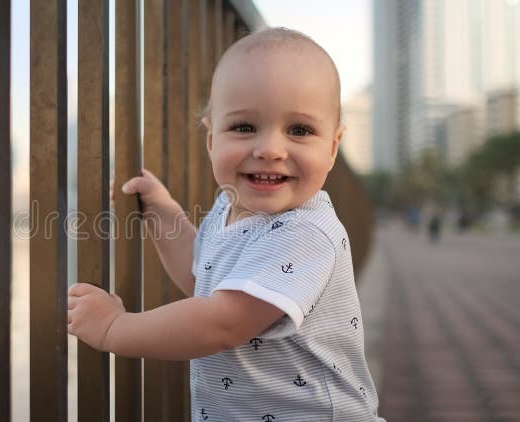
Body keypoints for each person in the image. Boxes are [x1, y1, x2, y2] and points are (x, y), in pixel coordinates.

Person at [67, 27, 384, 421]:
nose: (269, 149)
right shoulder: (229, 206)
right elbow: (202, 278)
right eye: (245, 127)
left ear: (333, 147)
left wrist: (115, 327)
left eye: (299, 130)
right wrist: (163, 213)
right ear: (211, 139)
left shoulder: (306, 233)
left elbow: (222, 321)